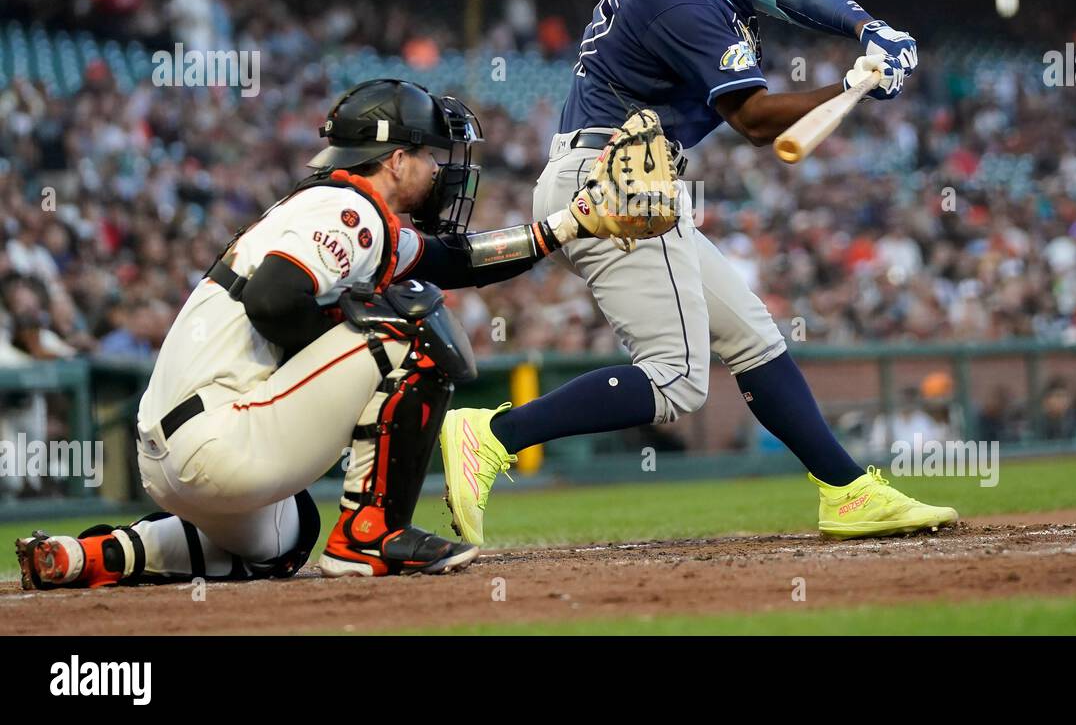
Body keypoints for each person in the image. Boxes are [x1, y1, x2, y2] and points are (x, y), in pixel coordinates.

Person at [442, 0, 957, 545]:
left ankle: (846, 492)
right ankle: (495, 433)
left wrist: (866, 27)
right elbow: (751, 120)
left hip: (625, 172)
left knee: (752, 337)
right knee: (677, 379)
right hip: (610, 184)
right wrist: (853, 87)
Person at [15, 79, 632, 589]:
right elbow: (274, 299)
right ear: (395, 160)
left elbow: (456, 259)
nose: (440, 170)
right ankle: (369, 534)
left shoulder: (341, 209)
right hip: (220, 433)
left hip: (180, 453)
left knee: (287, 538)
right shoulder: (349, 210)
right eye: (428, 155)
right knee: (413, 323)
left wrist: (568, 225)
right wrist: (352, 325)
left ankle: (96, 556)